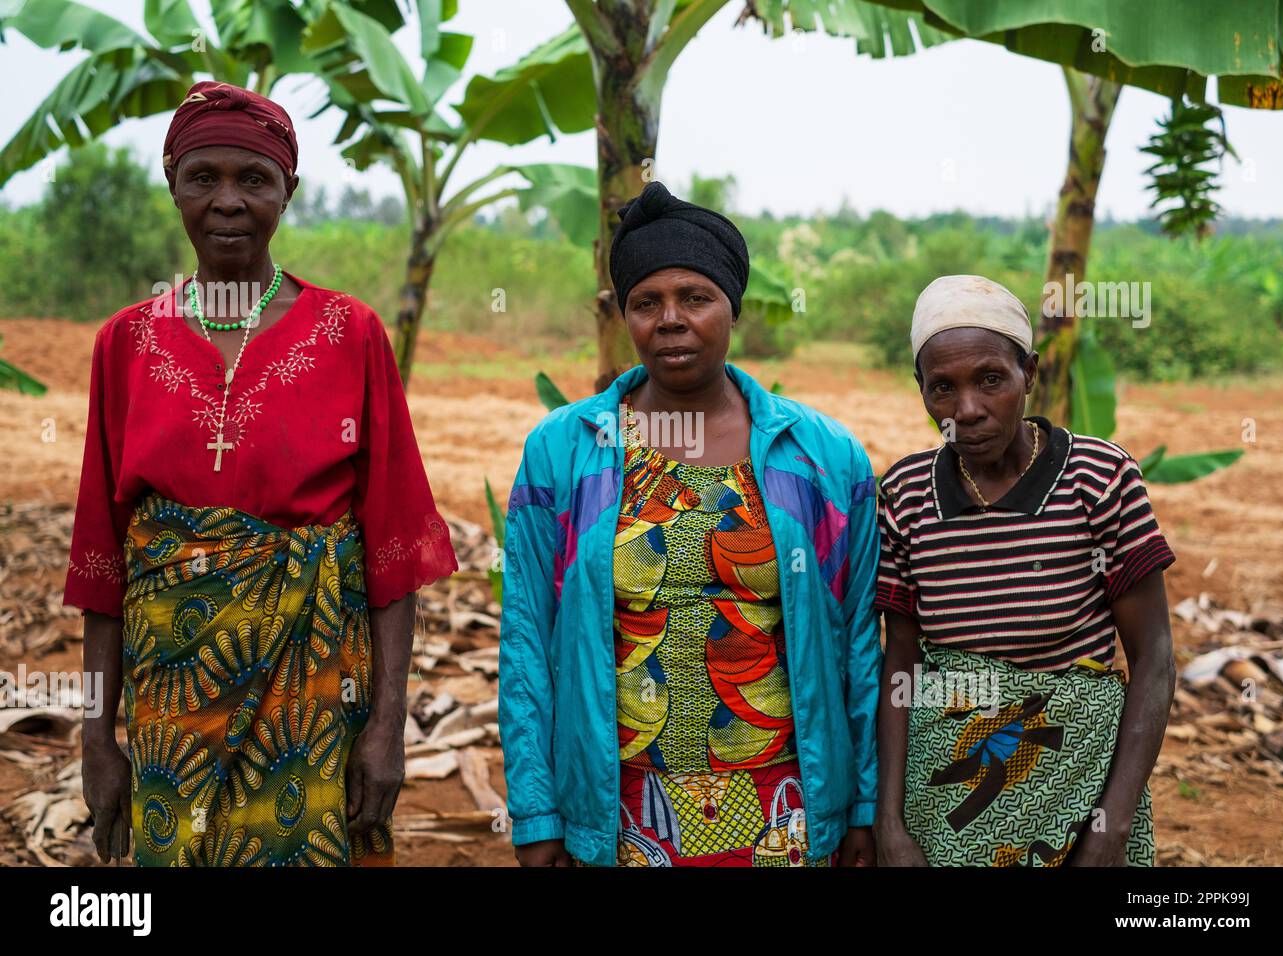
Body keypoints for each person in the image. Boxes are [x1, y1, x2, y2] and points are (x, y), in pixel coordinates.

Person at [62, 81, 458, 866]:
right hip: (171, 691)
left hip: (311, 693)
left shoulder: (352, 334)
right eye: (203, 177)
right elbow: (103, 558)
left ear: (290, 192)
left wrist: (384, 726)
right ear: (172, 183)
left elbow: (392, 546)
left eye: (255, 180)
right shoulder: (127, 343)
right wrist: (97, 733)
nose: (228, 201)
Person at [499, 181, 882, 867]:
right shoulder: (563, 451)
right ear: (624, 316)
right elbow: (527, 642)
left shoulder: (824, 457)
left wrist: (861, 809)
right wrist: (537, 815)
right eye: (646, 303)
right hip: (619, 810)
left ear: (731, 306)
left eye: (695, 298)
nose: (670, 320)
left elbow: (858, 643)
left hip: (784, 806)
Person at [873, 274, 1176, 867]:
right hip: (950, 785)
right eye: (942, 389)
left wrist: (1110, 827)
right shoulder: (906, 494)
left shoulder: (1099, 478)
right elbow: (900, 662)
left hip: (1081, 779)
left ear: (1029, 374)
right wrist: (891, 822)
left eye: (992, 380)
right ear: (921, 391)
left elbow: (1154, 656)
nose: (967, 411)